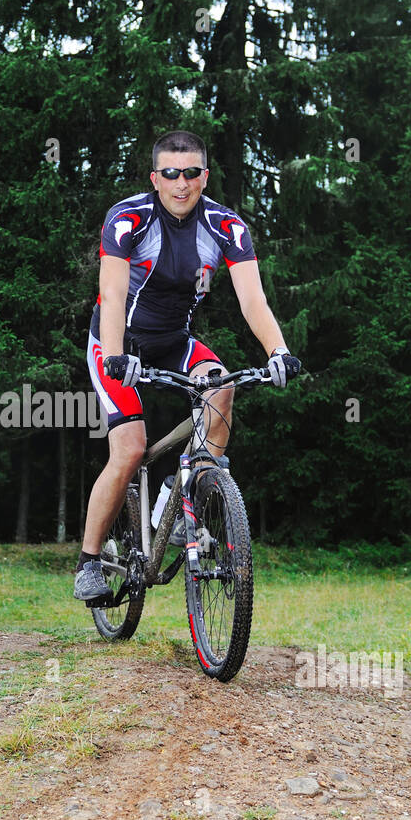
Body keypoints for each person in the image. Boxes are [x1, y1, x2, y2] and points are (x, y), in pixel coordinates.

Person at [74, 130, 301, 602]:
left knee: (221, 387)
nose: (182, 183)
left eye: (192, 173)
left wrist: (278, 352)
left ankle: (176, 507)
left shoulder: (226, 227)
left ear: (205, 176)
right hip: (116, 343)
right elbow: (112, 294)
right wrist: (116, 356)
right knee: (131, 449)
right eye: (172, 173)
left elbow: (252, 299)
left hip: (173, 341)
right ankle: (89, 561)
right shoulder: (128, 217)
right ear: (155, 178)